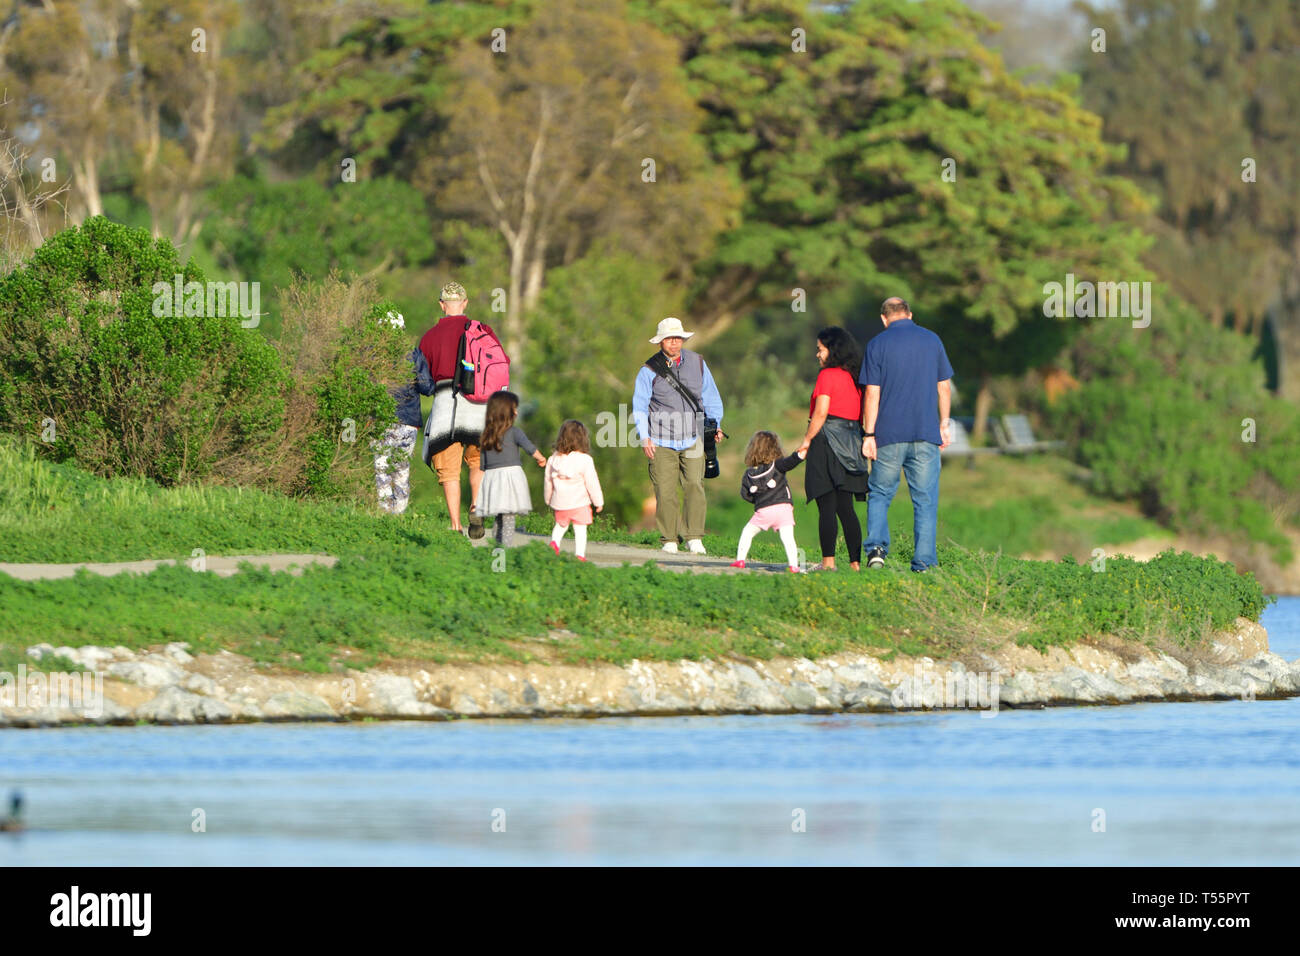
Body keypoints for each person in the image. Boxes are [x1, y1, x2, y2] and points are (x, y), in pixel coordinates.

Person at [859, 297, 954, 572]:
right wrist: (944, 425)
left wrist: (868, 435)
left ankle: (876, 549)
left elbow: (872, 393)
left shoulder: (876, 344)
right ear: (910, 314)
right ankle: (924, 562)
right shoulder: (932, 340)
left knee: (879, 493)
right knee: (925, 500)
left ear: (884, 318)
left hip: (887, 435)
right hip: (925, 433)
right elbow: (944, 387)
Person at [632, 317, 725, 554]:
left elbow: (711, 397)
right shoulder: (648, 370)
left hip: (693, 436)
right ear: (660, 342)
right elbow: (640, 406)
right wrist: (645, 437)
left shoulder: (698, 363)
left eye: (677, 338)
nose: (674, 343)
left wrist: (716, 425)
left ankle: (694, 537)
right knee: (665, 490)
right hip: (660, 438)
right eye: (669, 339)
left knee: (695, 485)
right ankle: (670, 539)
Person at [418, 280, 494, 537]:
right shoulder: (482, 330)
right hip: (478, 404)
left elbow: (422, 378)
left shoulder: (428, 338)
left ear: (442, 305)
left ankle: (455, 525)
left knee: (449, 470)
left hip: (444, 406)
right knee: (477, 460)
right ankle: (476, 504)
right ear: (464, 303)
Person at [797, 327, 869, 571]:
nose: (817, 354)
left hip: (826, 440)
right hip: (851, 442)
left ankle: (828, 563)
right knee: (846, 507)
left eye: (820, 349)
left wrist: (807, 439)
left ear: (832, 350)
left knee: (826, 504)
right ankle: (855, 564)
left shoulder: (827, 375)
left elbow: (821, 411)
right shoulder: (855, 376)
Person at [372, 311, 435, 515]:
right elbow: (427, 388)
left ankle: (384, 513)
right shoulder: (414, 355)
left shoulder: (371, 355)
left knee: (381, 468)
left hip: (379, 420)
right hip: (407, 422)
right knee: (400, 468)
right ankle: (398, 514)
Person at [477, 391, 546, 547]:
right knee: (508, 519)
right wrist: (541, 458)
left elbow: (482, 463)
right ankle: (503, 557)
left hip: (492, 478)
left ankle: (496, 553)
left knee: (499, 519)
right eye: (514, 408)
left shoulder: (486, 434)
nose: (516, 412)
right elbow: (530, 448)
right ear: (506, 411)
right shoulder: (515, 432)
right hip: (510, 478)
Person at [731, 431, 806, 572]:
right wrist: (800, 454)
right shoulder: (777, 465)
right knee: (788, 538)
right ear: (776, 448)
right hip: (784, 509)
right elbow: (790, 462)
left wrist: (759, 500)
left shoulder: (748, 474)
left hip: (764, 510)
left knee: (747, 533)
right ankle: (794, 566)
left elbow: (745, 495)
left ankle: (740, 560)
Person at [543, 419, 605, 562]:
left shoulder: (553, 459)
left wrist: (548, 498)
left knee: (560, 525)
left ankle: (554, 543)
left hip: (560, 501)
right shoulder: (585, 460)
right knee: (580, 529)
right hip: (579, 502)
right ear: (583, 438)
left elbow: (548, 481)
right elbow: (592, 483)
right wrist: (598, 502)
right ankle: (580, 555)